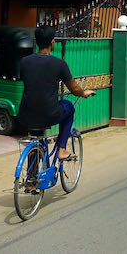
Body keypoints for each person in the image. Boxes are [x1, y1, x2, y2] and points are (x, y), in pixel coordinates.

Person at [17, 26, 95, 160]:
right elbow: (74, 89)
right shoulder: (59, 64)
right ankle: (62, 149)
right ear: (52, 42)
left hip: (26, 113)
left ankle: (31, 176)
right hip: (49, 113)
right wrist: (83, 93)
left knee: (35, 137)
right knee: (69, 107)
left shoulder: (24, 62)